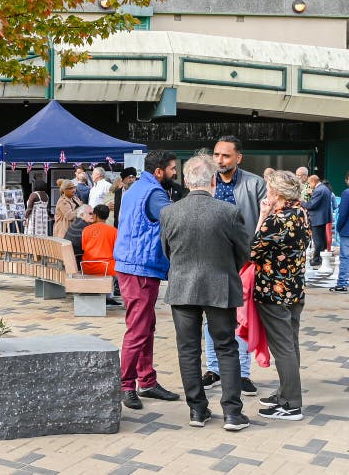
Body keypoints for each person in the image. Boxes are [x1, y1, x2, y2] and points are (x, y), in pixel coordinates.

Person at [161, 155, 251, 431]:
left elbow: (168, 252)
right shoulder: (228, 212)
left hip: (182, 285)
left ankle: (197, 411)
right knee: (226, 347)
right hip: (219, 285)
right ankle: (233, 413)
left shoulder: (169, 212)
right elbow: (243, 252)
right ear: (213, 181)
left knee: (188, 350)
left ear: (186, 181)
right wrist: (225, 269)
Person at [113, 149, 181, 410]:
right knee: (139, 328)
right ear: (159, 171)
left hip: (134, 265)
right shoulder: (154, 193)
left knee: (145, 326)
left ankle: (147, 380)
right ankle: (126, 384)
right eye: (173, 169)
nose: (176, 173)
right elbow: (174, 220)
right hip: (140, 267)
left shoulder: (137, 188)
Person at [203, 136, 266, 396]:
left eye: (225, 156)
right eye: (216, 155)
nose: (219, 160)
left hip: (244, 261)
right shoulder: (206, 182)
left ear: (238, 158)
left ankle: (242, 373)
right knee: (211, 314)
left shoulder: (255, 184)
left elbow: (265, 220)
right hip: (211, 259)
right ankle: (214, 368)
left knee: (242, 316)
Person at [251, 171, 310, 421]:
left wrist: (263, 215)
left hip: (273, 293)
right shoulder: (301, 214)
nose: (267, 194)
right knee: (291, 344)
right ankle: (285, 393)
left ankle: (291, 403)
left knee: (283, 348)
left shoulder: (276, 219)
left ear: (278, 193)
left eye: (270, 190)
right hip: (295, 289)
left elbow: (252, 250)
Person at [302, 175, 333, 268]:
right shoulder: (325, 188)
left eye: (309, 183)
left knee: (317, 239)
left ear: (313, 181)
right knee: (321, 238)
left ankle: (316, 259)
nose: (309, 186)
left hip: (317, 218)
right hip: (323, 217)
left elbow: (311, 205)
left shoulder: (319, 190)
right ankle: (321, 258)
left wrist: (302, 202)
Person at [81, 205, 118, 277]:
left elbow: (83, 248)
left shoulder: (86, 230)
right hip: (107, 268)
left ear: (95, 215)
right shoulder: (114, 231)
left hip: (87, 268)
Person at [332, 171, 349, 293]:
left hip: (347, 230)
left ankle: (342, 283)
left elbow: (343, 214)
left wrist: (338, 227)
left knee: (345, 257)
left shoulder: (347, 193)